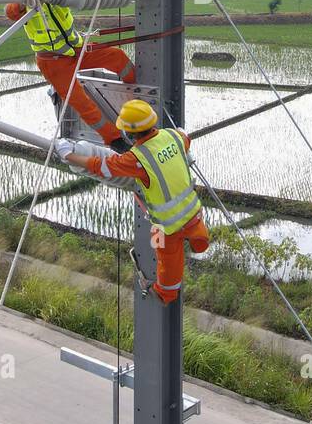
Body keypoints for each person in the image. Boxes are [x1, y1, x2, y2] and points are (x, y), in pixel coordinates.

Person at [55, 99, 208, 304]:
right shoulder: (173, 136)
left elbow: (101, 166)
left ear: (129, 133)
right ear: (152, 121)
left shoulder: (137, 158)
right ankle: (199, 238)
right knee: (191, 229)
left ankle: (166, 293)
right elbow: (185, 136)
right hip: (193, 213)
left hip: (165, 227)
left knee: (165, 259)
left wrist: (70, 155)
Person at [7, 0, 136, 152]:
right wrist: (24, 0)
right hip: (52, 61)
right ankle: (114, 140)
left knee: (116, 57)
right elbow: (12, 12)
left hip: (76, 49)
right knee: (80, 101)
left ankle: (137, 98)